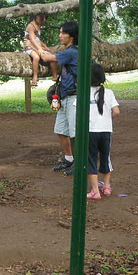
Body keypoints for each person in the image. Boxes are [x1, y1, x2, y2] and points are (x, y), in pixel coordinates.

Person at [45, 21, 78, 174]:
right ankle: (69, 158)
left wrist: (38, 51)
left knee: (74, 132)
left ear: (71, 36)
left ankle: (79, 162)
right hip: (64, 96)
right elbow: (54, 55)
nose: (60, 36)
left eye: (62, 33)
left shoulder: (71, 52)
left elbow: (50, 58)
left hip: (74, 98)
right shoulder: (68, 51)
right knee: (61, 130)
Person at [86, 61, 120, 200]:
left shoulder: (84, 92)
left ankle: (95, 191)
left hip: (91, 131)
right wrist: (107, 118)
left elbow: (78, 111)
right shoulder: (109, 92)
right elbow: (117, 111)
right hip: (106, 131)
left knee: (91, 159)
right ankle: (106, 186)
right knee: (106, 158)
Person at [23, 13, 59, 87]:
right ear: (37, 17)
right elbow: (32, 39)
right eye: (42, 19)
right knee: (36, 57)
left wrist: (45, 47)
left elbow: (38, 39)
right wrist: (39, 49)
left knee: (52, 56)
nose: (43, 21)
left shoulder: (39, 26)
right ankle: (35, 77)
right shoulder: (31, 26)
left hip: (37, 46)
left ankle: (55, 76)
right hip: (30, 47)